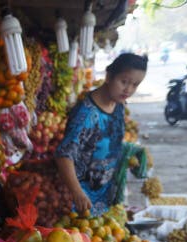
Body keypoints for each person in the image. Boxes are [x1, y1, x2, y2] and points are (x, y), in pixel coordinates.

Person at [55, 53, 148, 215]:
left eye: (135, 85)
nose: (128, 89)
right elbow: (63, 155)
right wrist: (77, 193)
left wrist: (131, 154)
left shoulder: (118, 105)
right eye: (124, 82)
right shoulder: (86, 114)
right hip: (81, 205)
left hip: (105, 199)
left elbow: (110, 141)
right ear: (109, 76)